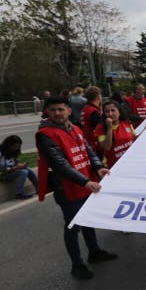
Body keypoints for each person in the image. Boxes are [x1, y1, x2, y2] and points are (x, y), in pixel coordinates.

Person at [35, 96, 117, 279]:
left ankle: (94, 252)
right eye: (53, 110)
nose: (57, 113)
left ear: (69, 111)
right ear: (47, 112)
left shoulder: (76, 129)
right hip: (67, 188)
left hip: (84, 183)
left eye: (61, 109)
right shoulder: (45, 135)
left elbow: (88, 151)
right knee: (73, 226)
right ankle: (77, 264)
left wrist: (98, 167)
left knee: (88, 219)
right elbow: (60, 165)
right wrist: (85, 181)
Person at [0, 135, 38, 199]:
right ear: (9, 145)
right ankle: (19, 193)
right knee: (23, 172)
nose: (17, 148)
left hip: (6, 172)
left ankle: (39, 188)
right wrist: (15, 168)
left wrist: (20, 165)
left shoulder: (10, 152)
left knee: (27, 169)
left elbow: (13, 163)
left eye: (18, 147)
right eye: (15, 146)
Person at [95, 99, 135, 167]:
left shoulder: (126, 122)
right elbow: (107, 147)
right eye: (107, 111)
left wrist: (145, 131)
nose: (110, 114)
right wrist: (109, 128)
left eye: (113, 110)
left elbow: (134, 138)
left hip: (128, 161)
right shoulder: (100, 128)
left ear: (119, 112)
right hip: (112, 165)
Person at [80, 86, 103, 154]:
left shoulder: (85, 109)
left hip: (88, 143)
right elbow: (99, 131)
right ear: (98, 97)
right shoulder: (94, 111)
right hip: (95, 146)